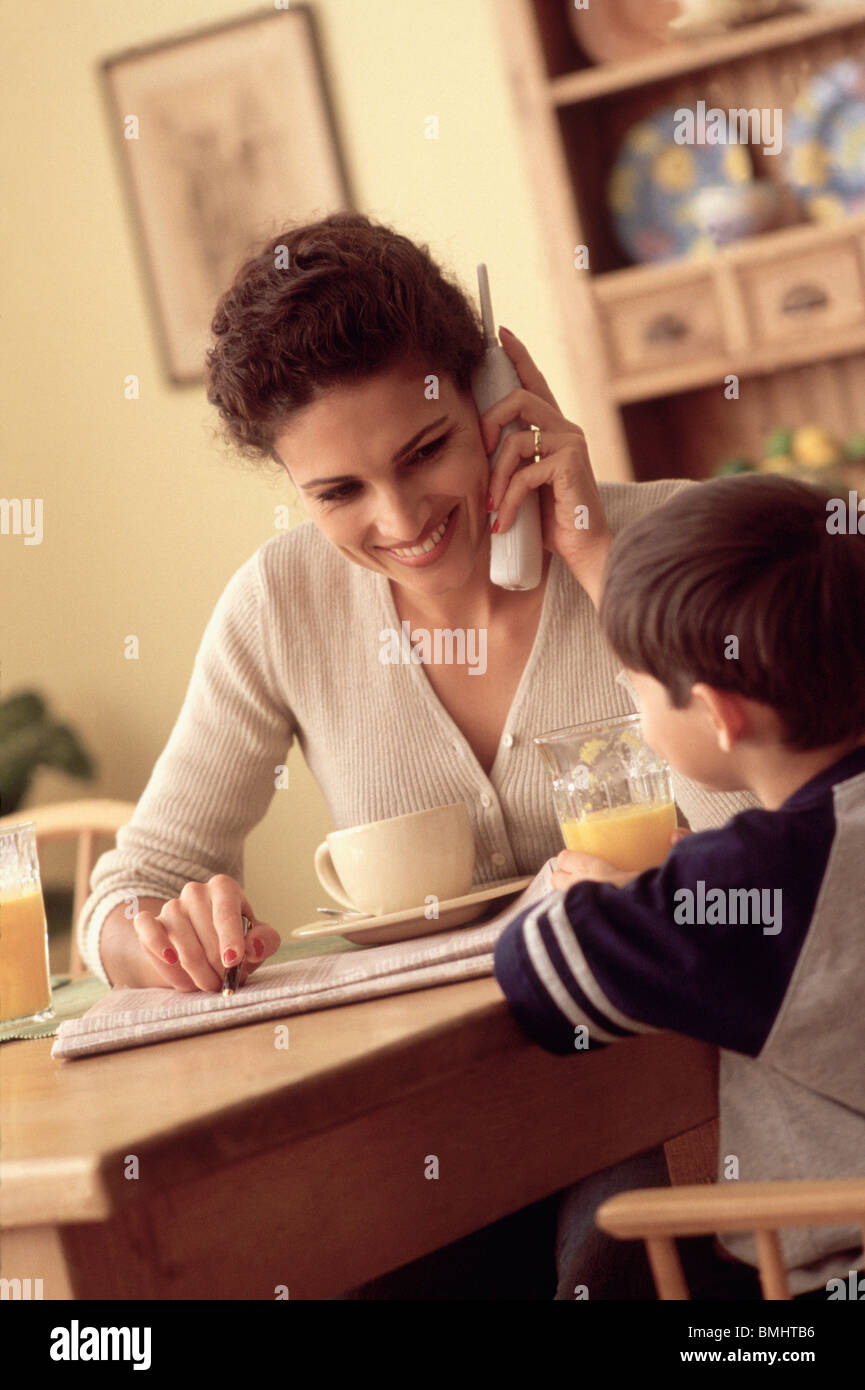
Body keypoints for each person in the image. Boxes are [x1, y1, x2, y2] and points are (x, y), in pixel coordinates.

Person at [78, 211, 758, 1298]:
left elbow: (787, 854)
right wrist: (150, 936)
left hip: (681, 1087)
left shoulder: (677, 549)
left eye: (427, 448)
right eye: (337, 492)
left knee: (606, 1260)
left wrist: (596, 562)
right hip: (434, 1124)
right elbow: (128, 882)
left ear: (494, 391)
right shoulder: (282, 604)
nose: (400, 519)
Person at [494, 473, 865, 1300]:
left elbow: (538, 973)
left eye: (630, 681)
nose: (629, 698)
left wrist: (589, 890)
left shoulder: (759, 873)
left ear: (717, 714)